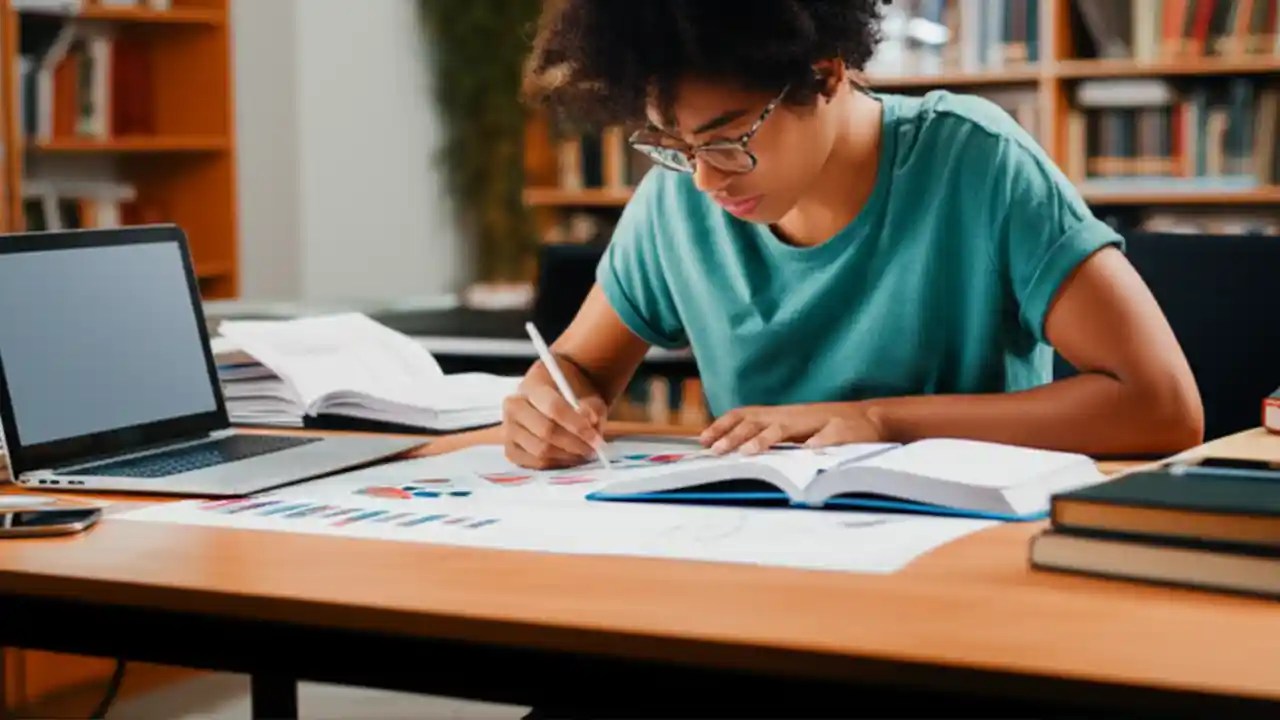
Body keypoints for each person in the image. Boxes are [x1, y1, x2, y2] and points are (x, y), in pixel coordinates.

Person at [503, 0, 1203, 473]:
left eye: (728, 140)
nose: (704, 182)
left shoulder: (975, 163)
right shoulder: (676, 203)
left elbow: (1162, 406)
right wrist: (553, 403)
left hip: (962, 565)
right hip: (753, 560)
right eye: (671, 145)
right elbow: (580, 366)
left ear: (826, 72)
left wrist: (881, 421)